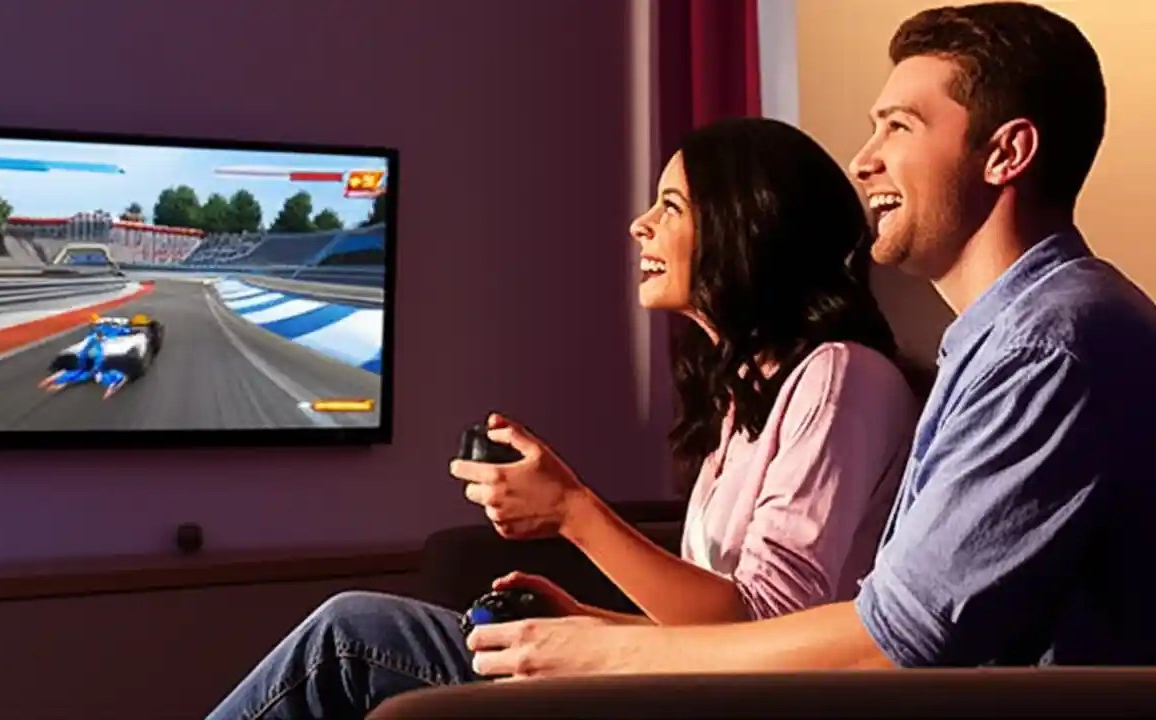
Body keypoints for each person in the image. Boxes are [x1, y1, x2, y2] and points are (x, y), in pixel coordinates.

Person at [462, 1, 1156, 679]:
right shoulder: (1012, 338)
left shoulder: (1045, 345)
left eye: (899, 127)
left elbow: (897, 643)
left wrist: (604, 651)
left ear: (1006, 152)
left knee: (363, 646)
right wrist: (601, 633)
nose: (863, 161)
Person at [206, 117, 922, 718]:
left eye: (671, 206)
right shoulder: (750, 396)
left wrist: (573, 512)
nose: (639, 224)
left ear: (748, 224)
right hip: (701, 682)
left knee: (348, 638)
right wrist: (586, 622)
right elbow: (717, 635)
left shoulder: (841, 376)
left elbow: (766, 631)